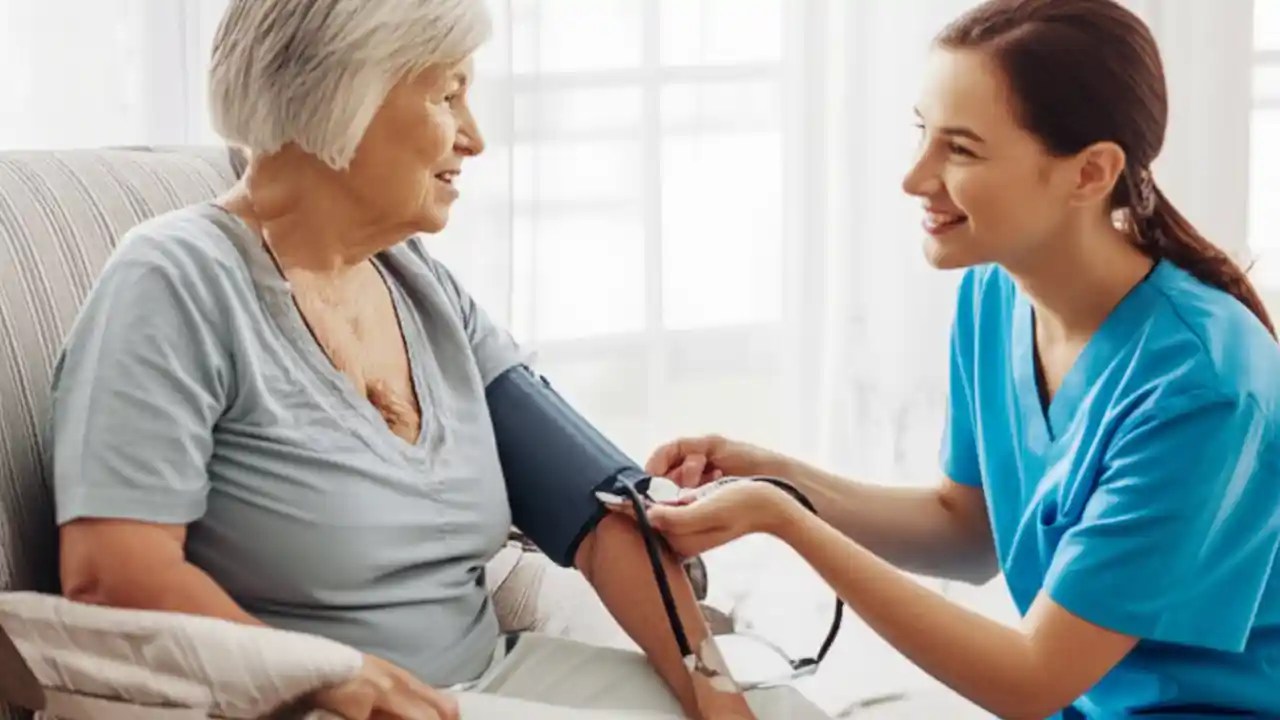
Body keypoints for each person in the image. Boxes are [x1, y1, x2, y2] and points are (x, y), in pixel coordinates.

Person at [49, 1, 762, 718]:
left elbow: (605, 515)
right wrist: (329, 672)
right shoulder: (173, 280)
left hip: (492, 683)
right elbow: (113, 576)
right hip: (313, 703)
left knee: (782, 710)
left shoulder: (419, 284)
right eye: (447, 94)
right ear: (340, 92)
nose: (475, 137)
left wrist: (718, 696)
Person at [616, 0, 1280, 717]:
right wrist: (780, 477)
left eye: (959, 149)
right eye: (922, 133)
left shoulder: (1203, 384)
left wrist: (787, 520)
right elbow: (967, 532)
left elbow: (1032, 680)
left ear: (1090, 173)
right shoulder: (996, 290)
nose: (914, 177)